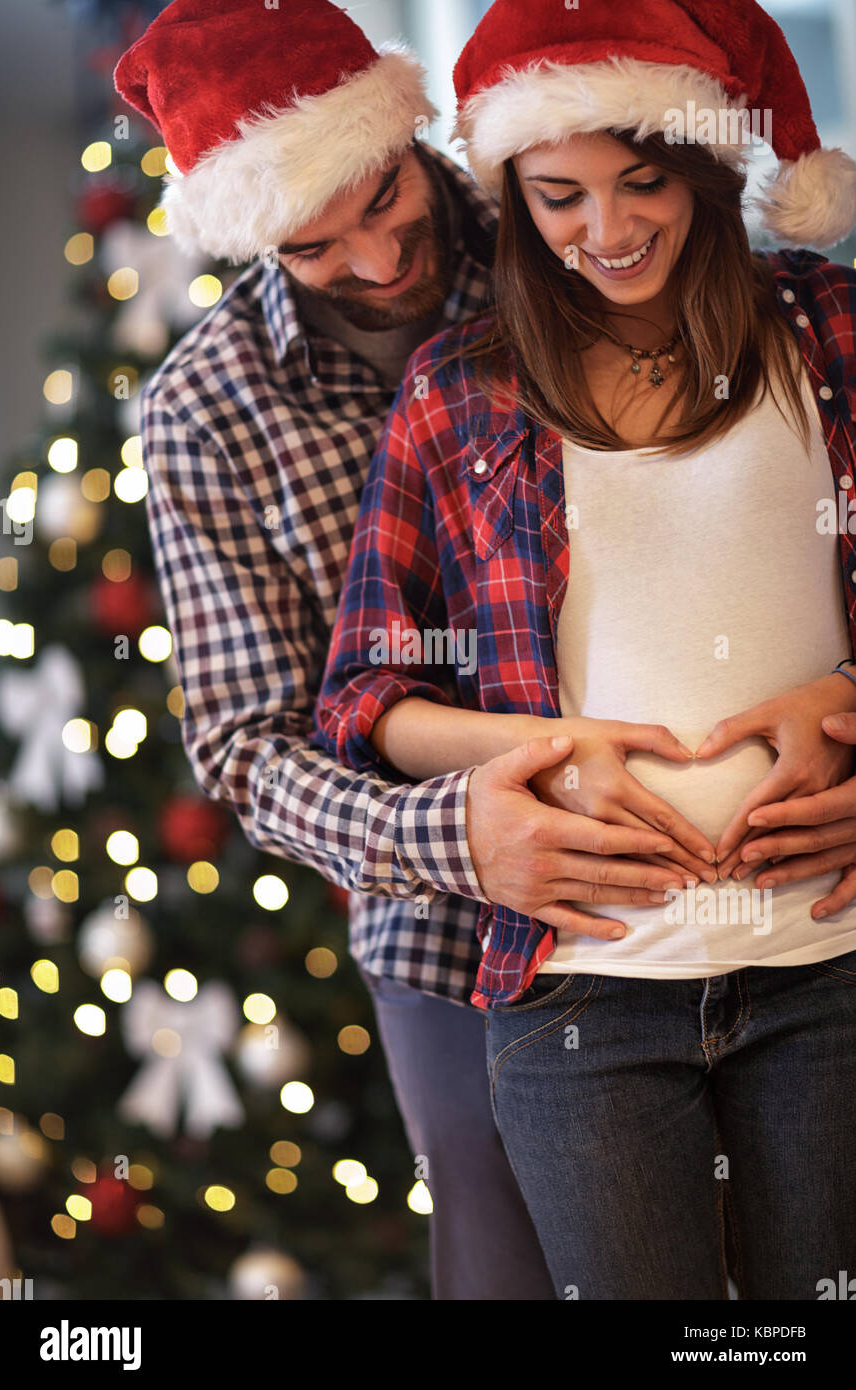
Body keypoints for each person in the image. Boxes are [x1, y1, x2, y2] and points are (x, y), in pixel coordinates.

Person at [114, 0, 702, 1300]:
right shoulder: (208, 408)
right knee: (501, 1260)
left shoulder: (564, 228)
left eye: (384, 197)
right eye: (315, 244)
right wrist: (464, 835)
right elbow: (243, 743)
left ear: (406, 130)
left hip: (697, 825)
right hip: (442, 918)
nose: (381, 256)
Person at [313, 0, 856, 1299]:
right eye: (558, 196)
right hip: (581, 992)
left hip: (823, 971)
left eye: (641, 184)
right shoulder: (459, 384)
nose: (603, 232)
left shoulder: (828, 329)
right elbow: (366, 697)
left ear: (703, 166)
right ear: (511, 189)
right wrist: (547, 748)